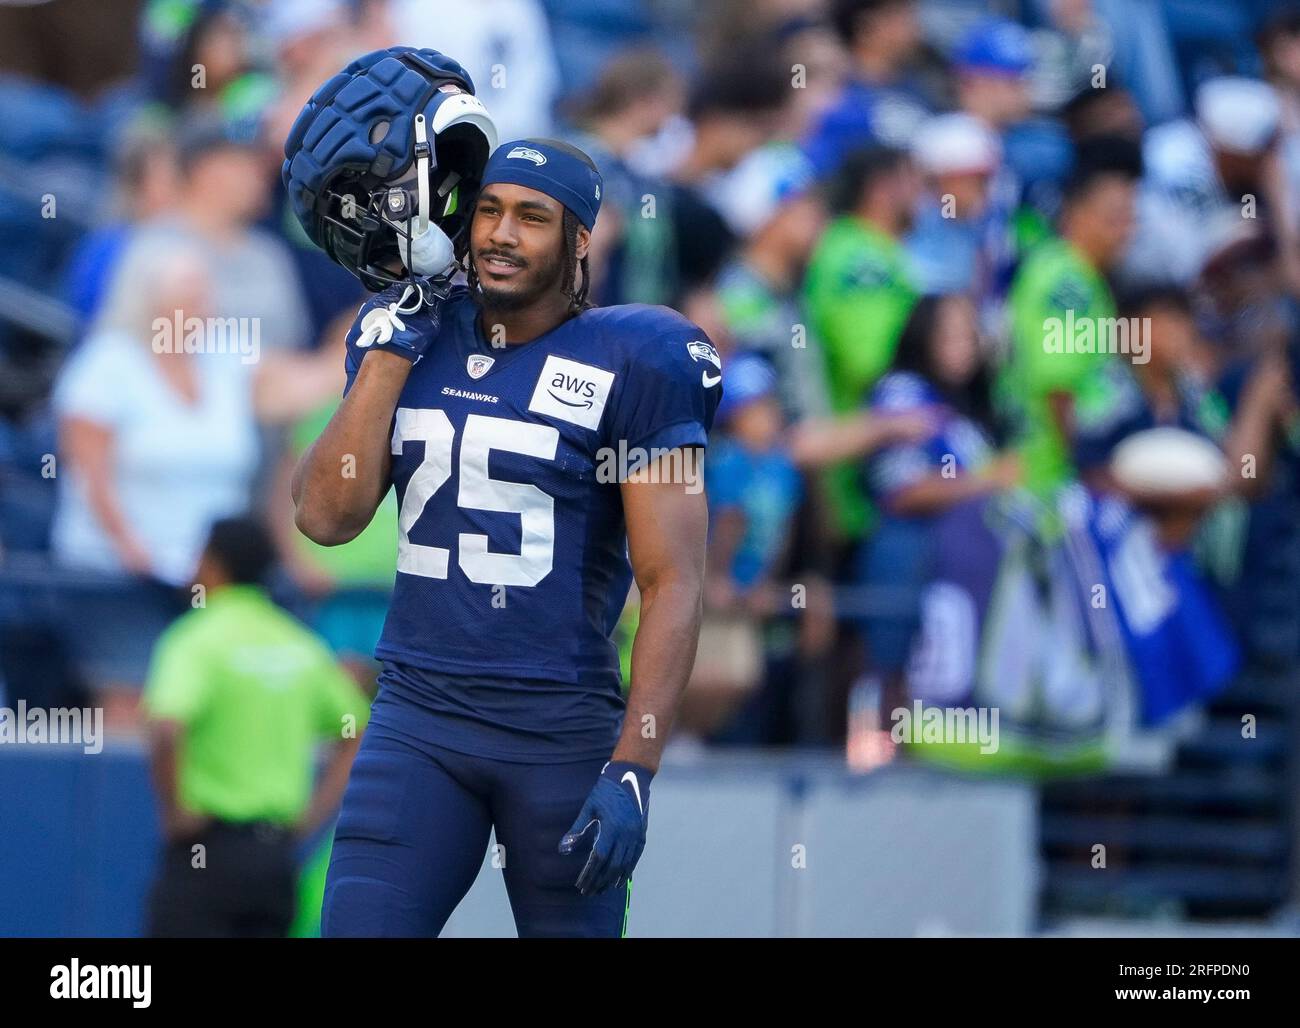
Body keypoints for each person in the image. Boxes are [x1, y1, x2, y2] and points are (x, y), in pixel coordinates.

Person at [287, 49, 721, 937]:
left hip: (561, 734)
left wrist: (635, 767)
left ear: (578, 240)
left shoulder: (642, 357)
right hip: (417, 719)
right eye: (487, 210)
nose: (500, 233)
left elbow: (674, 580)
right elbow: (323, 519)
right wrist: (386, 357)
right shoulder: (407, 334)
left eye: (531, 216)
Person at [142, 516, 369, 937]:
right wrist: (311, 816)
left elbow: (167, 726)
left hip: (205, 849)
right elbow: (355, 730)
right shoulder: (300, 643)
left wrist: (174, 813)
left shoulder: (196, 639)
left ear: (213, 565)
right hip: (276, 858)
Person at [998, 139, 1140, 497]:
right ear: (1075, 215)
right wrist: (1087, 473)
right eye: (1113, 219)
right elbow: (1057, 385)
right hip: (1051, 479)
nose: (1126, 231)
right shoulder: (1067, 283)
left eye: (1130, 219)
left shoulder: (1076, 273)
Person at [804, 143, 921, 538]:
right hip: (855, 467)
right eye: (913, 180)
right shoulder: (860, 257)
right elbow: (868, 360)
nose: (923, 193)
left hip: (868, 460)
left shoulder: (874, 249)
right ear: (882, 188)